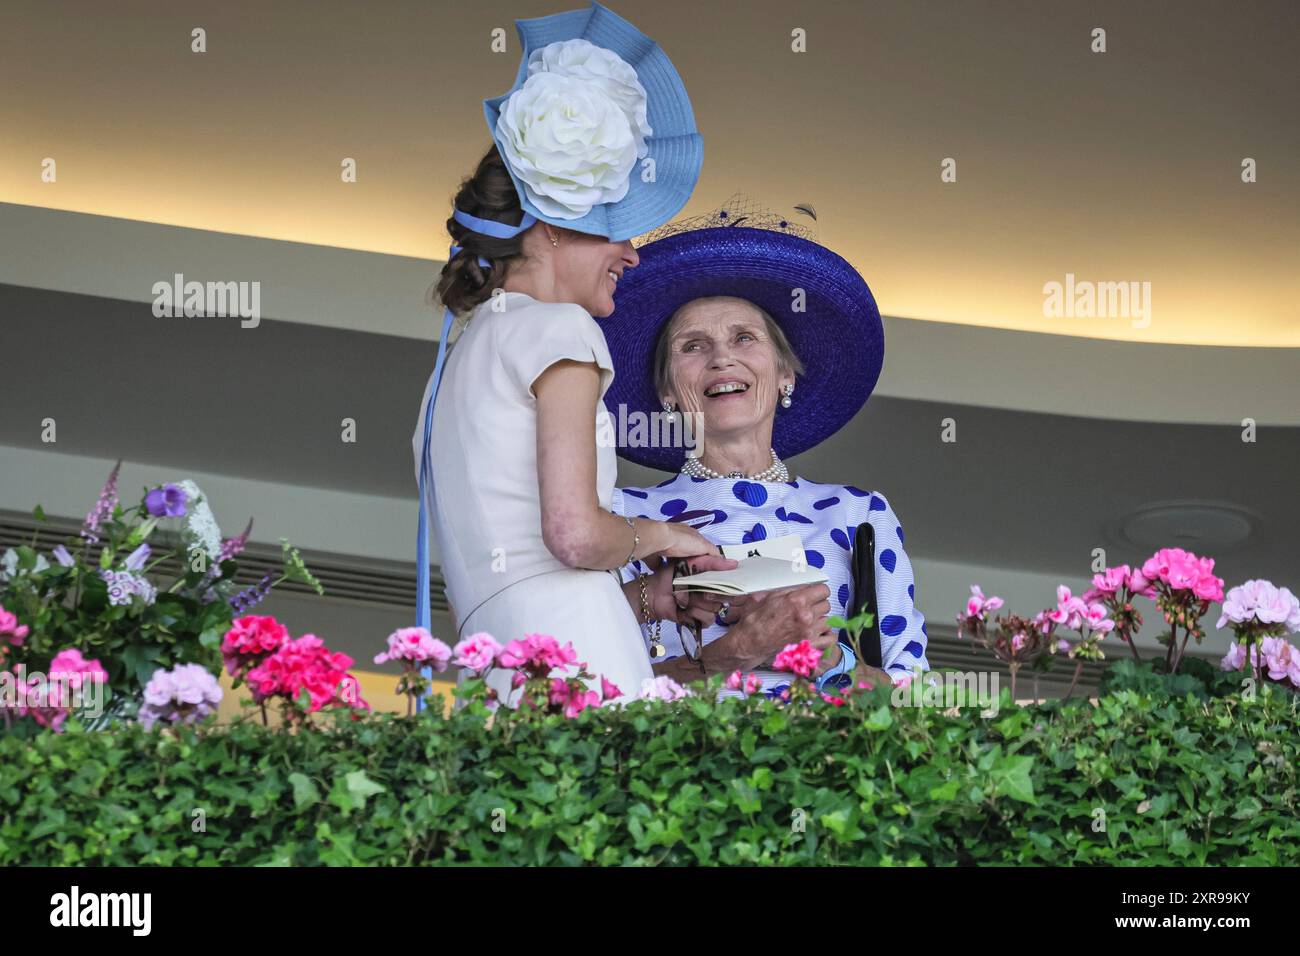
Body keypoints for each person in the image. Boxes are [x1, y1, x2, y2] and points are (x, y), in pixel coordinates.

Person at [410, 3, 723, 706]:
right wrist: (658, 533)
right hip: (580, 656)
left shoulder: (456, 362)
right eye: (618, 228)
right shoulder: (561, 331)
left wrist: (643, 599)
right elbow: (575, 537)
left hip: (505, 668)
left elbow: (520, 570)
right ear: (552, 227)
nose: (633, 252)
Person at [599, 199, 932, 698]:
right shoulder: (622, 516)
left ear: (783, 375)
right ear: (667, 392)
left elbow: (914, 698)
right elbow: (595, 684)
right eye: (692, 346)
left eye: (744, 338)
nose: (721, 359)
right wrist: (739, 648)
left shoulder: (859, 515)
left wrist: (826, 656)